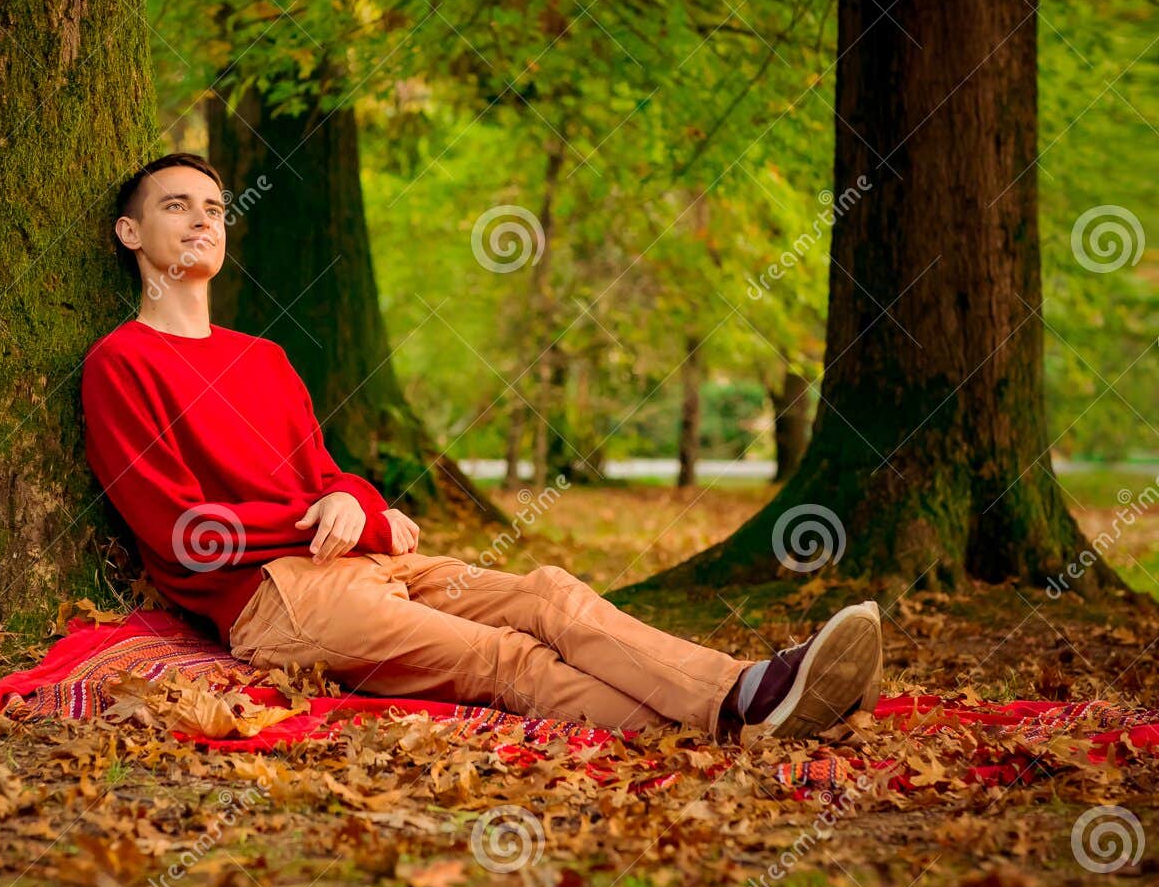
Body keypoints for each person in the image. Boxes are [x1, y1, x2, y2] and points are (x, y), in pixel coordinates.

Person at [80, 152, 882, 743]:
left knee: (550, 595)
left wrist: (359, 507)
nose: (201, 220)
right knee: (509, 659)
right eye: (176, 205)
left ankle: (746, 691)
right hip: (280, 599)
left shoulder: (264, 359)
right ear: (130, 231)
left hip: (365, 562)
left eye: (215, 208)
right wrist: (337, 518)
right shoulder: (122, 361)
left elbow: (333, 480)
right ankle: (738, 718)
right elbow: (181, 532)